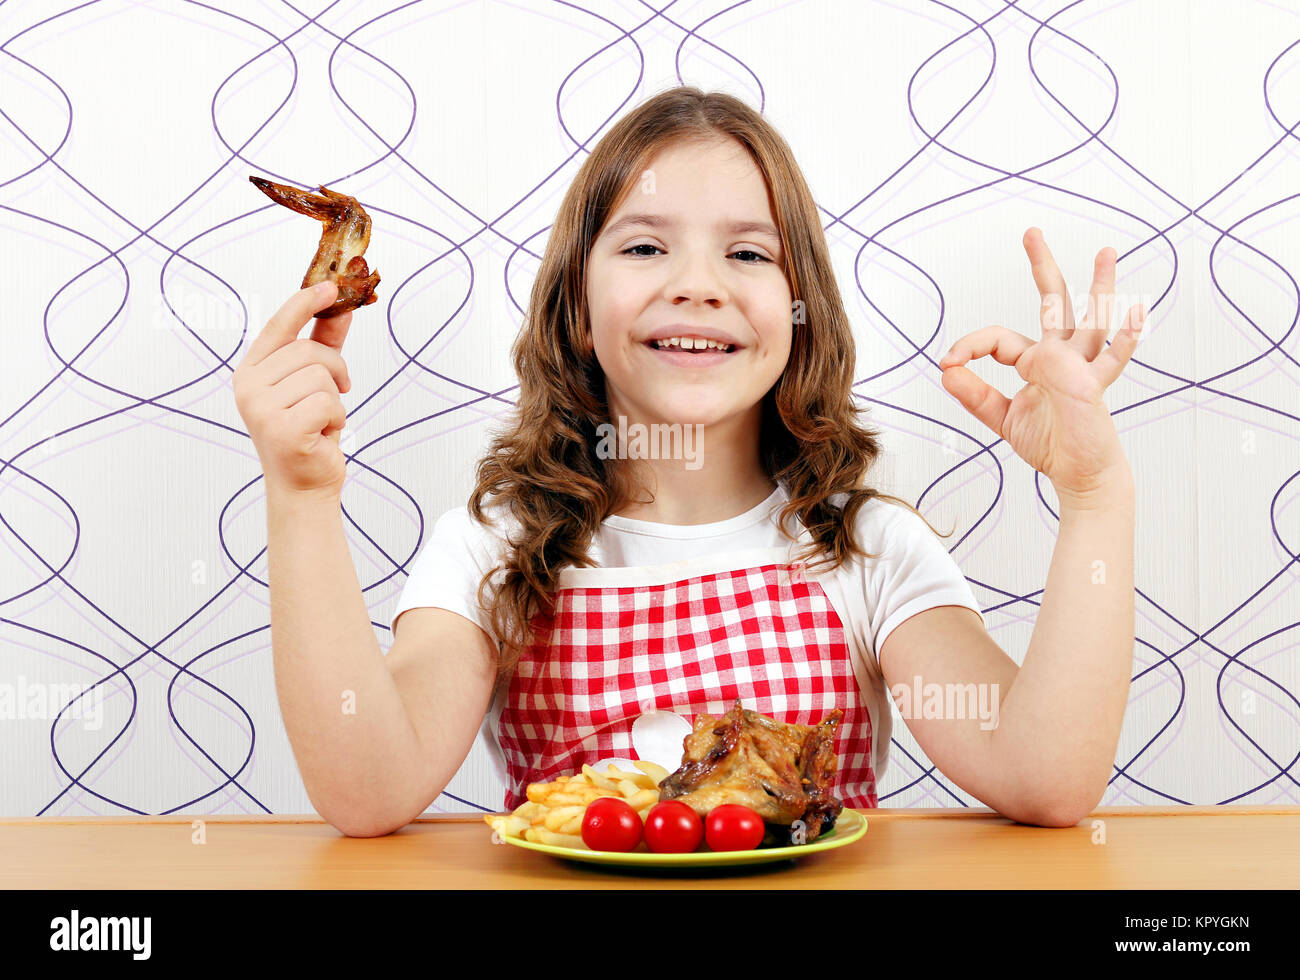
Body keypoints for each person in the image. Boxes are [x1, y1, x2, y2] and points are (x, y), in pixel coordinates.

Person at [234, 86, 1142, 837]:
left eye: (748, 252)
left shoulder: (868, 547)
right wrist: (301, 497)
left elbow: (1046, 777)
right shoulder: (495, 546)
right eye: (643, 246)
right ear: (579, 309)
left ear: (800, 311)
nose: (698, 283)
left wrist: (1094, 495)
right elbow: (368, 790)